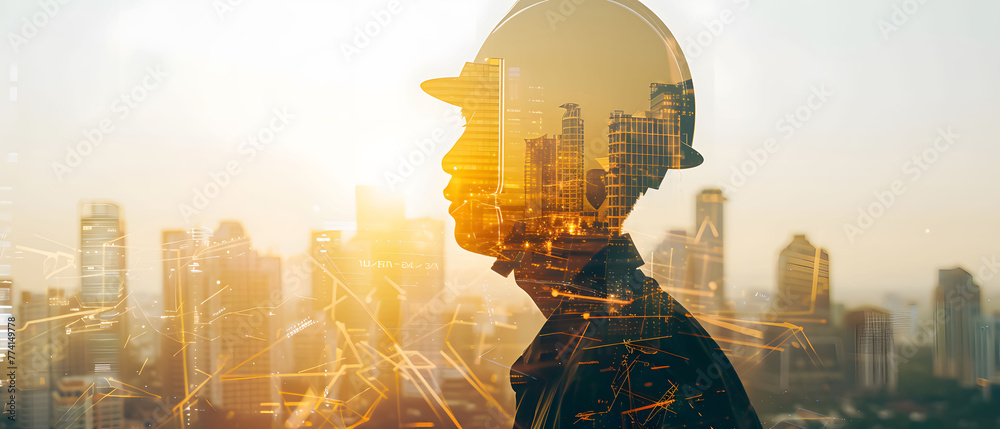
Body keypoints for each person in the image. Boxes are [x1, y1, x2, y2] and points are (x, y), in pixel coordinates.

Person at [422, 1, 762, 427]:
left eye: (486, 127)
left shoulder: (627, 375)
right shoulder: (607, 348)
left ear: (586, 173)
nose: (452, 159)